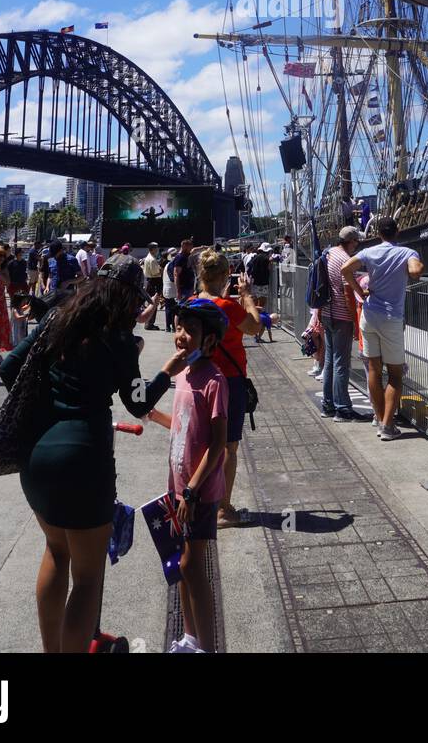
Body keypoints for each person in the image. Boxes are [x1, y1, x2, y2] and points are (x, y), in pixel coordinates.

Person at [0, 255, 186, 653]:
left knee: (54, 550)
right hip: (84, 457)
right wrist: (166, 372)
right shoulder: (117, 339)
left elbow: (10, 367)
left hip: (36, 455)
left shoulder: (58, 320)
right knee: (87, 578)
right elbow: (138, 403)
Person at [146, 297, 228, 653]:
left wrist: (193, 490)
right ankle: (190, 638)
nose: (181, 335)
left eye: (190, 331)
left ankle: (207, 647)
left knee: (193, 568)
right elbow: (182, 426)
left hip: (199, 491)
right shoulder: (184, 374)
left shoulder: (214, 381)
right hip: (177, 487)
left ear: (210, 341)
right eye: (179, 327)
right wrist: (154, 416)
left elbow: (217, 445)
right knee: (180, 564)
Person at [196, 248, 262, 529]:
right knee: (228, 447)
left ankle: (201, 500)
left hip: (200, 378)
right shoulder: (228, 307)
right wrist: (246, 295)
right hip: (229, 380)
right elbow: (255, 328)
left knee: (205, 443)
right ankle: (223, 509)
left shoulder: (192, 303)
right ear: (225, 276)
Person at [341, 216, 422, 440]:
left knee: (374, 371)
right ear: (397, 232)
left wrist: (359, 292)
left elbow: (346, 269)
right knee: (395, 374)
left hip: (369, 315)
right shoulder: (407, 253)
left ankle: (379, 419)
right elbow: (415, 271)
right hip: (391, 317)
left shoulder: (370, 252)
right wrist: (416, 269)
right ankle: (387, 426)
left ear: (379, 234)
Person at [319, 226, 367, 422]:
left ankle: (328, 404)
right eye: (356, 242)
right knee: (341, 363)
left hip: (326, 313)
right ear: (352, 241)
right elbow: (348, 294)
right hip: (341, 316)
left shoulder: (328, 253)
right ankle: (343, 409)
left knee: (330, 361)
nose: (357, 245)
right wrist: (354, 321)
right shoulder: (345, 260)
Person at [172, 238, 198, 310]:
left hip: (188, 287)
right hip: (183, 289)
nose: (191, 249)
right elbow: (176, 275)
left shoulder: (186, 255)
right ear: (184, 246)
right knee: (181, 308)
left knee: (187, 308)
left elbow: (195, 250)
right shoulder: (180, 258)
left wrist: (204, 247)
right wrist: (178, 291)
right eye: (190, 247)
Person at [142, 243, 162, 329]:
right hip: (154, 282)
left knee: (150, 303)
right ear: (153, 249)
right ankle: (150, 324)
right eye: (156, 248)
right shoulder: (152, 259)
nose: (157, 250)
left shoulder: (148, 257)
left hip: (150, 281)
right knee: (154, 304)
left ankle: (148, 323)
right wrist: (161, 270)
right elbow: (155, 273)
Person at [162, 247, 179, 331]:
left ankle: (168, 326)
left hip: (166, 289)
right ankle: (172, 326)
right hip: (172, 290)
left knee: (168, 309)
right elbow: (173, 278)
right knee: (173, 309)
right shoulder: (172, 265)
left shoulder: (167, 264)